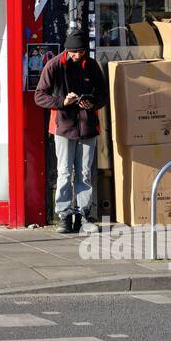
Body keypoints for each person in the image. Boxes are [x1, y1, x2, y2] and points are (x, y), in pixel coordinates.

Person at [33, 28, 107, 233]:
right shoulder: (54, 65)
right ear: (67, 50)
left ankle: (84, 215)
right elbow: (39, 96)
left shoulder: (91, 66)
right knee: (64, 172)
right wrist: (62, 102)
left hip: (88, 126)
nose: (77, 55)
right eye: (73, 52)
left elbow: (103, 95)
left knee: (84, 173)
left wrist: (92, 103)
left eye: (81, 52)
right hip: (63, 126)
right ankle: (64, 215)